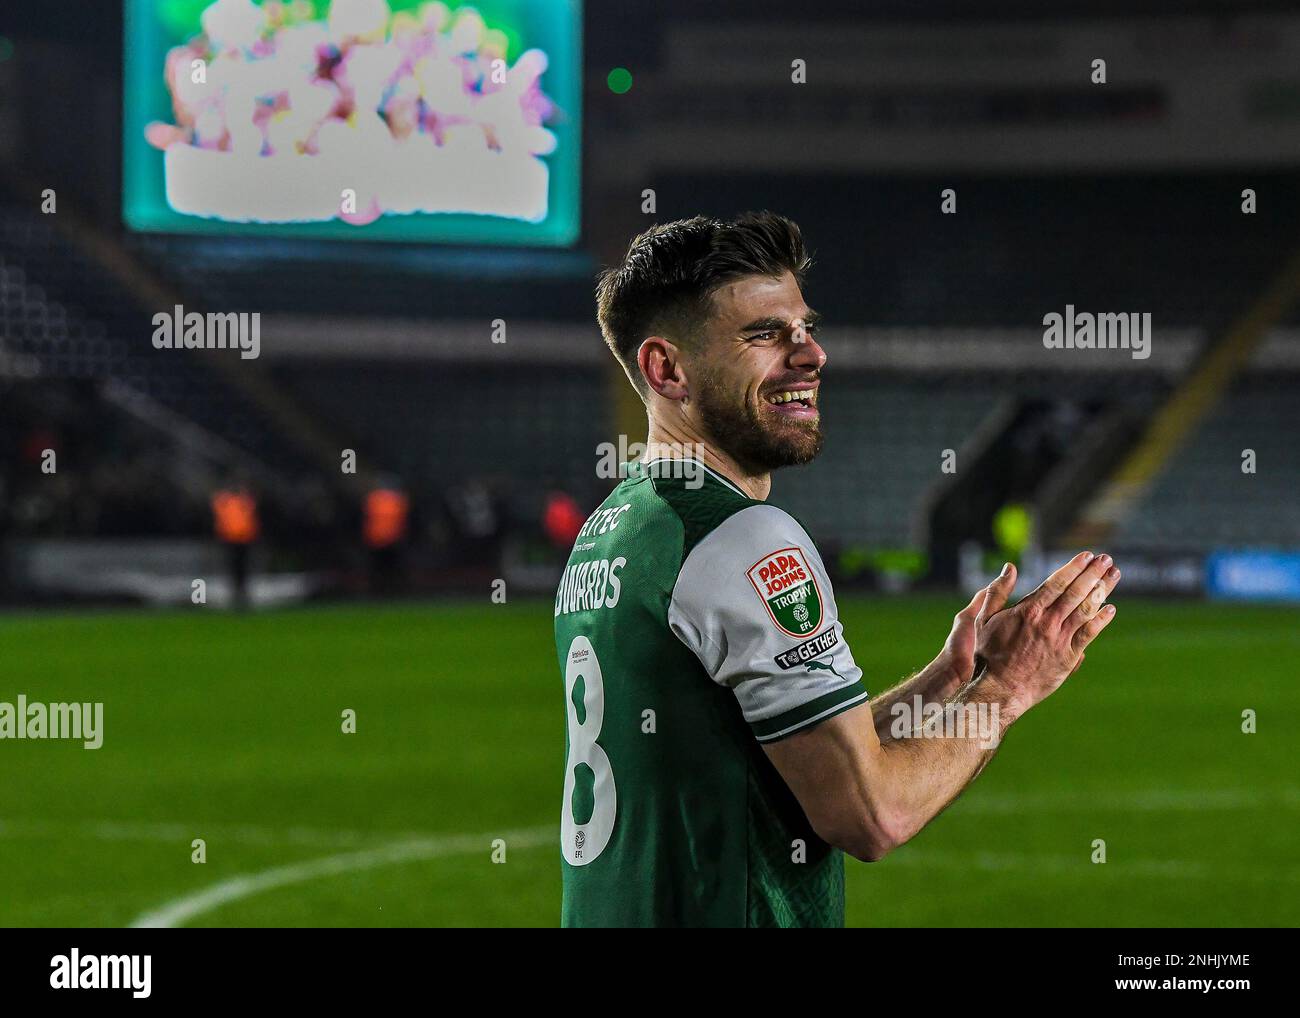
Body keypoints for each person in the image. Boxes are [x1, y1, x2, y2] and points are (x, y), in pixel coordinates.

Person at [554, 212, 1122, 927]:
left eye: (804, 328)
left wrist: (948, 679)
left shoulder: (615, 529)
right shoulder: (743, 538)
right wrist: (1008, 689)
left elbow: (786, 769)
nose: (811, 354)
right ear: (667, 369)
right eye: (764, 334)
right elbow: (870, 816)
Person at [211, 477, 259, 609]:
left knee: (242, 569)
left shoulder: (243, 501)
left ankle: (242, 595)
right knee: (234, 570)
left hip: (244, 540)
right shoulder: (225, 501)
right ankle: (236, 595)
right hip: (230, 540)